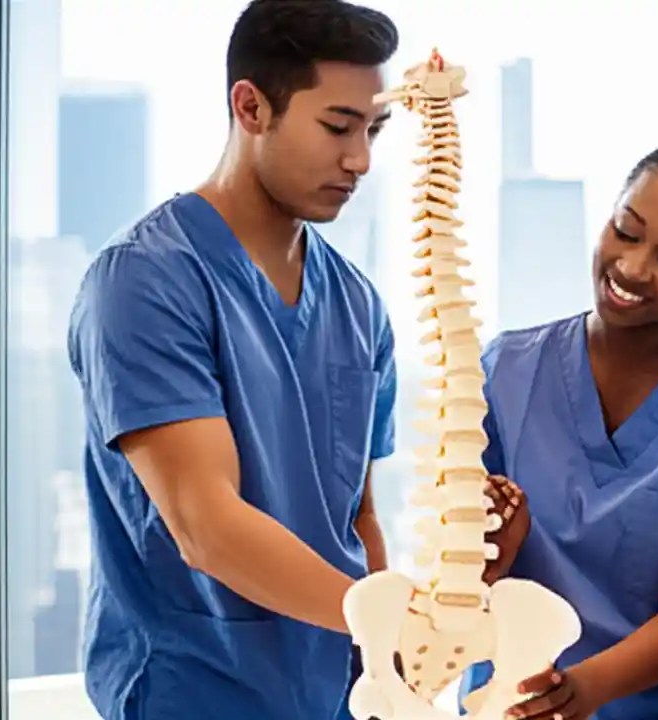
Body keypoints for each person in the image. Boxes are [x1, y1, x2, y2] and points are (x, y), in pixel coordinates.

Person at [65, 2, 410, 718]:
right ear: (251, 107)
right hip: (194, 691)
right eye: (338, 126)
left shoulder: (358, 305)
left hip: (335, 691)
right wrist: (380, 620)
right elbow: (206, 526)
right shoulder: (144, 281)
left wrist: (390, 665)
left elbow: (361, 514)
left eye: (374, 130)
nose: (361, 160)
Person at [459, 141, 658, 720]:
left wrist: (582, 690)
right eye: (626, 231)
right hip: (512, 703)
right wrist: (481, 555)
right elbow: (462, 572)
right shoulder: (504, 369)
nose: (633, 268)